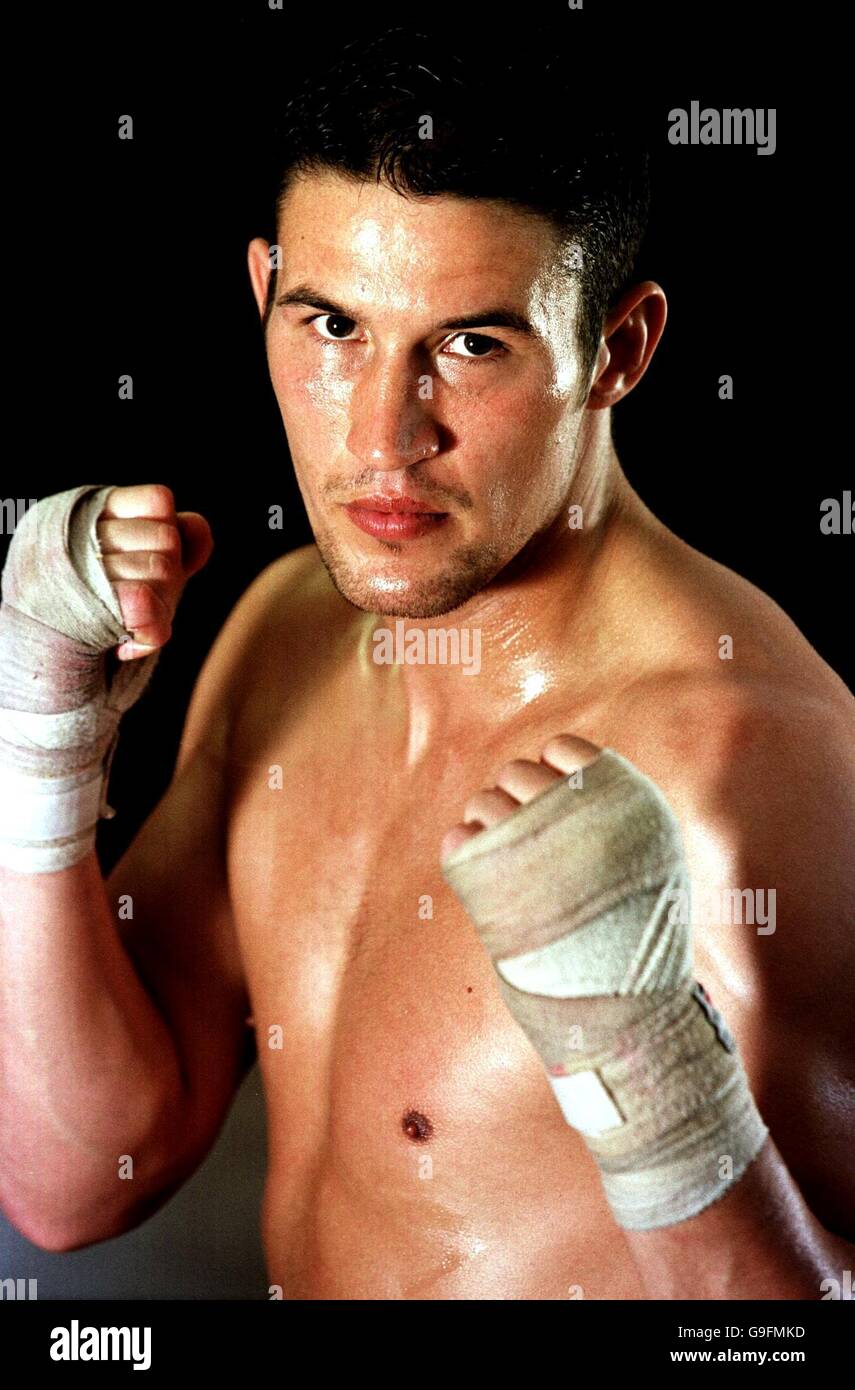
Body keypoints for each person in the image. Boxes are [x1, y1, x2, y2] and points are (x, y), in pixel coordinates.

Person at [1, 29, 852, 1300]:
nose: (380, 438)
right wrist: (35, 744)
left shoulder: (756, 764)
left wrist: (655, 1085)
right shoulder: (287, 632)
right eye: (333, 323)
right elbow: (76, 1180)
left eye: (471, 345)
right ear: (260, 292)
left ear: (619, 350)